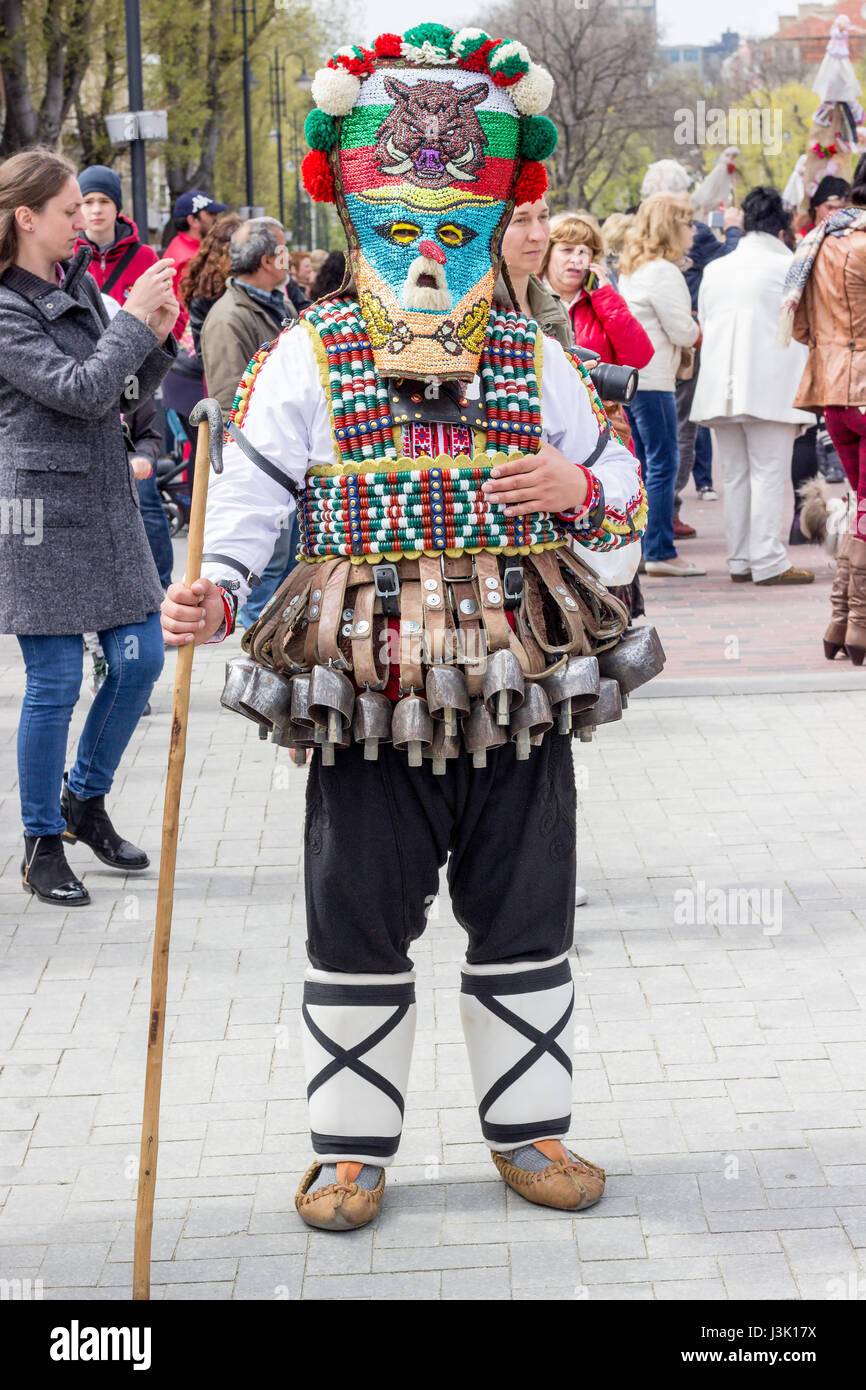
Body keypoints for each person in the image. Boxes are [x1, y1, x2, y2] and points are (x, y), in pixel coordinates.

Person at [160, 24, 648, 1233]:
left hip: (512, 677)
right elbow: (252, 494)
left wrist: (578, 493)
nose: (426, 256)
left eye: (452, 228)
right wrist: (213, 589)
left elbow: (627, 507)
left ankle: (529, 1131)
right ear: (354, 228)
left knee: (527, 899)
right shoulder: (304, 361)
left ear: (491, 226)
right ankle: (349, 1149)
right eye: (399, 230)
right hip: (364, 683)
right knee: (355, 905)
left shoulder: (539, 362)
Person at [0, 148, 179, 906]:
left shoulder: (77, 285)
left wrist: (157, 334)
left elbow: (123, 387)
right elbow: (78, 390)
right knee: (56, 681)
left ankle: (85, 798)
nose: (86, 222)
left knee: (138, 660)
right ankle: (42, 839)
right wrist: (133, 320)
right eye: (71, 211)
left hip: (103, 499)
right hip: (34, 511)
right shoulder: (5, 307)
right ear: (26, 217)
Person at [691, 187, 814, 587]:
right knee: (767, 474)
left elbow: (705, 323)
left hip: (720, 385)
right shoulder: (789, 266)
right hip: (770, 385)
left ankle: (741, 558)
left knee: (738, 476)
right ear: (781, 229)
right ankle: (768, 560)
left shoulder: (717, 268)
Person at [783, 154, 866, 661]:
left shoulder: (820, 239)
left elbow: (797, 326)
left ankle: (841, 622)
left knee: (861, 505)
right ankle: (856, 625)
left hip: (831, 391)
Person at [200, 217, 300, 627]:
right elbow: (228, 406)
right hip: (261, 463)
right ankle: (256, 643)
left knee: (286, 566)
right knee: (265, 570)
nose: (288, 255)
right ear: (265, 259)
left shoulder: (280, 302)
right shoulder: (229, 318)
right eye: (282, 248)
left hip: (289, 455)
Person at [618, 193, 704, 577]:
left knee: (643, 463)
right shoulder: (664, 272)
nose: (693, 230)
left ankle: (643, 546)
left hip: (636, 378)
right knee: (663, 462)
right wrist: (702, 327)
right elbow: (683, 330)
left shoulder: (636, 267)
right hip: (654, 380)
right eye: (687, 223)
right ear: (672, 227)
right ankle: (660, 549)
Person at [541, 210, 652, 371]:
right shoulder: (530, 294)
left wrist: (607, 299)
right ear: (548, 253)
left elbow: (639, 358)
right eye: (567, 250)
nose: (576, 259)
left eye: (584, 252)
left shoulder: (602, 302)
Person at [75, 165, 158, 303]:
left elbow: (173, 317)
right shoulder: (65, 256)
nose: (96, 210)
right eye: (88, 202)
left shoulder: (146, 258)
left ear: (116, 208)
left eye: (104, 201)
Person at [164, 190, 228, 335]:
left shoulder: (179, 245)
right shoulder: (189, 260)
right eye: (210, 214)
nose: (216, 218)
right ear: (193, 220)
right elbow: (190, 311)